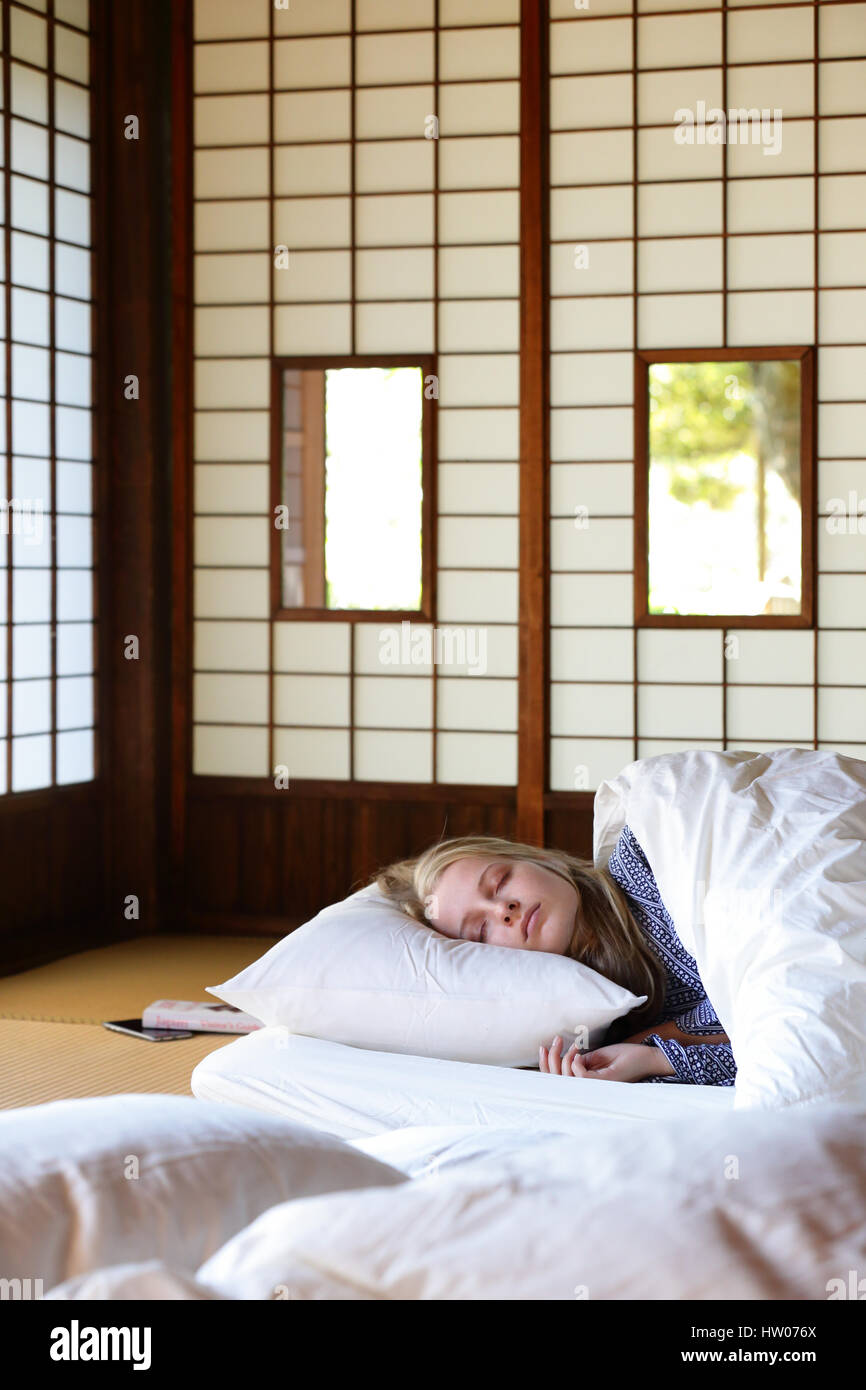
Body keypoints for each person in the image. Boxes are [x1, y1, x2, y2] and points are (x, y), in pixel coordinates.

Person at [375, 826, 736, 1087]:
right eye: (482, 930)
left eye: (500, 882)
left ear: (543, 860)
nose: (504, 909)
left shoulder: (647, 850)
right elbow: (776, 1057)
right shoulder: (607, 1041)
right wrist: (653, 1059)